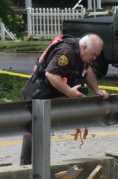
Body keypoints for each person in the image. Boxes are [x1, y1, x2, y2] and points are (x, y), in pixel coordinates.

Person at [20, 33, 110, 165]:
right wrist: (69, 91)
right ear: (84, 47)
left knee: (44, 130)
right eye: (94, 54)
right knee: (34, 130)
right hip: (37, 93)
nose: (95, 58)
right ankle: (26, 165)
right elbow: (51, 74)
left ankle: (41, 164)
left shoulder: (81, 54)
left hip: (51, 93)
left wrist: (96, 90)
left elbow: (87, 70)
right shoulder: (66, 52)